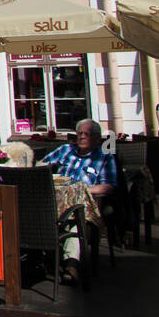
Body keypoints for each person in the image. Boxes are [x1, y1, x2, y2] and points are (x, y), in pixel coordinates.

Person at [40, 118, 118, 283]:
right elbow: (41, 165)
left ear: (97, 139)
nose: (82, 137)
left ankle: (72, 266)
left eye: (87, 134)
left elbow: (109, 186)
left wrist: (82, 191)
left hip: (84, 206)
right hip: (54, 202)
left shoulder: (104, 157)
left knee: (76, 221)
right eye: (80, 133)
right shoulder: (66, 149)